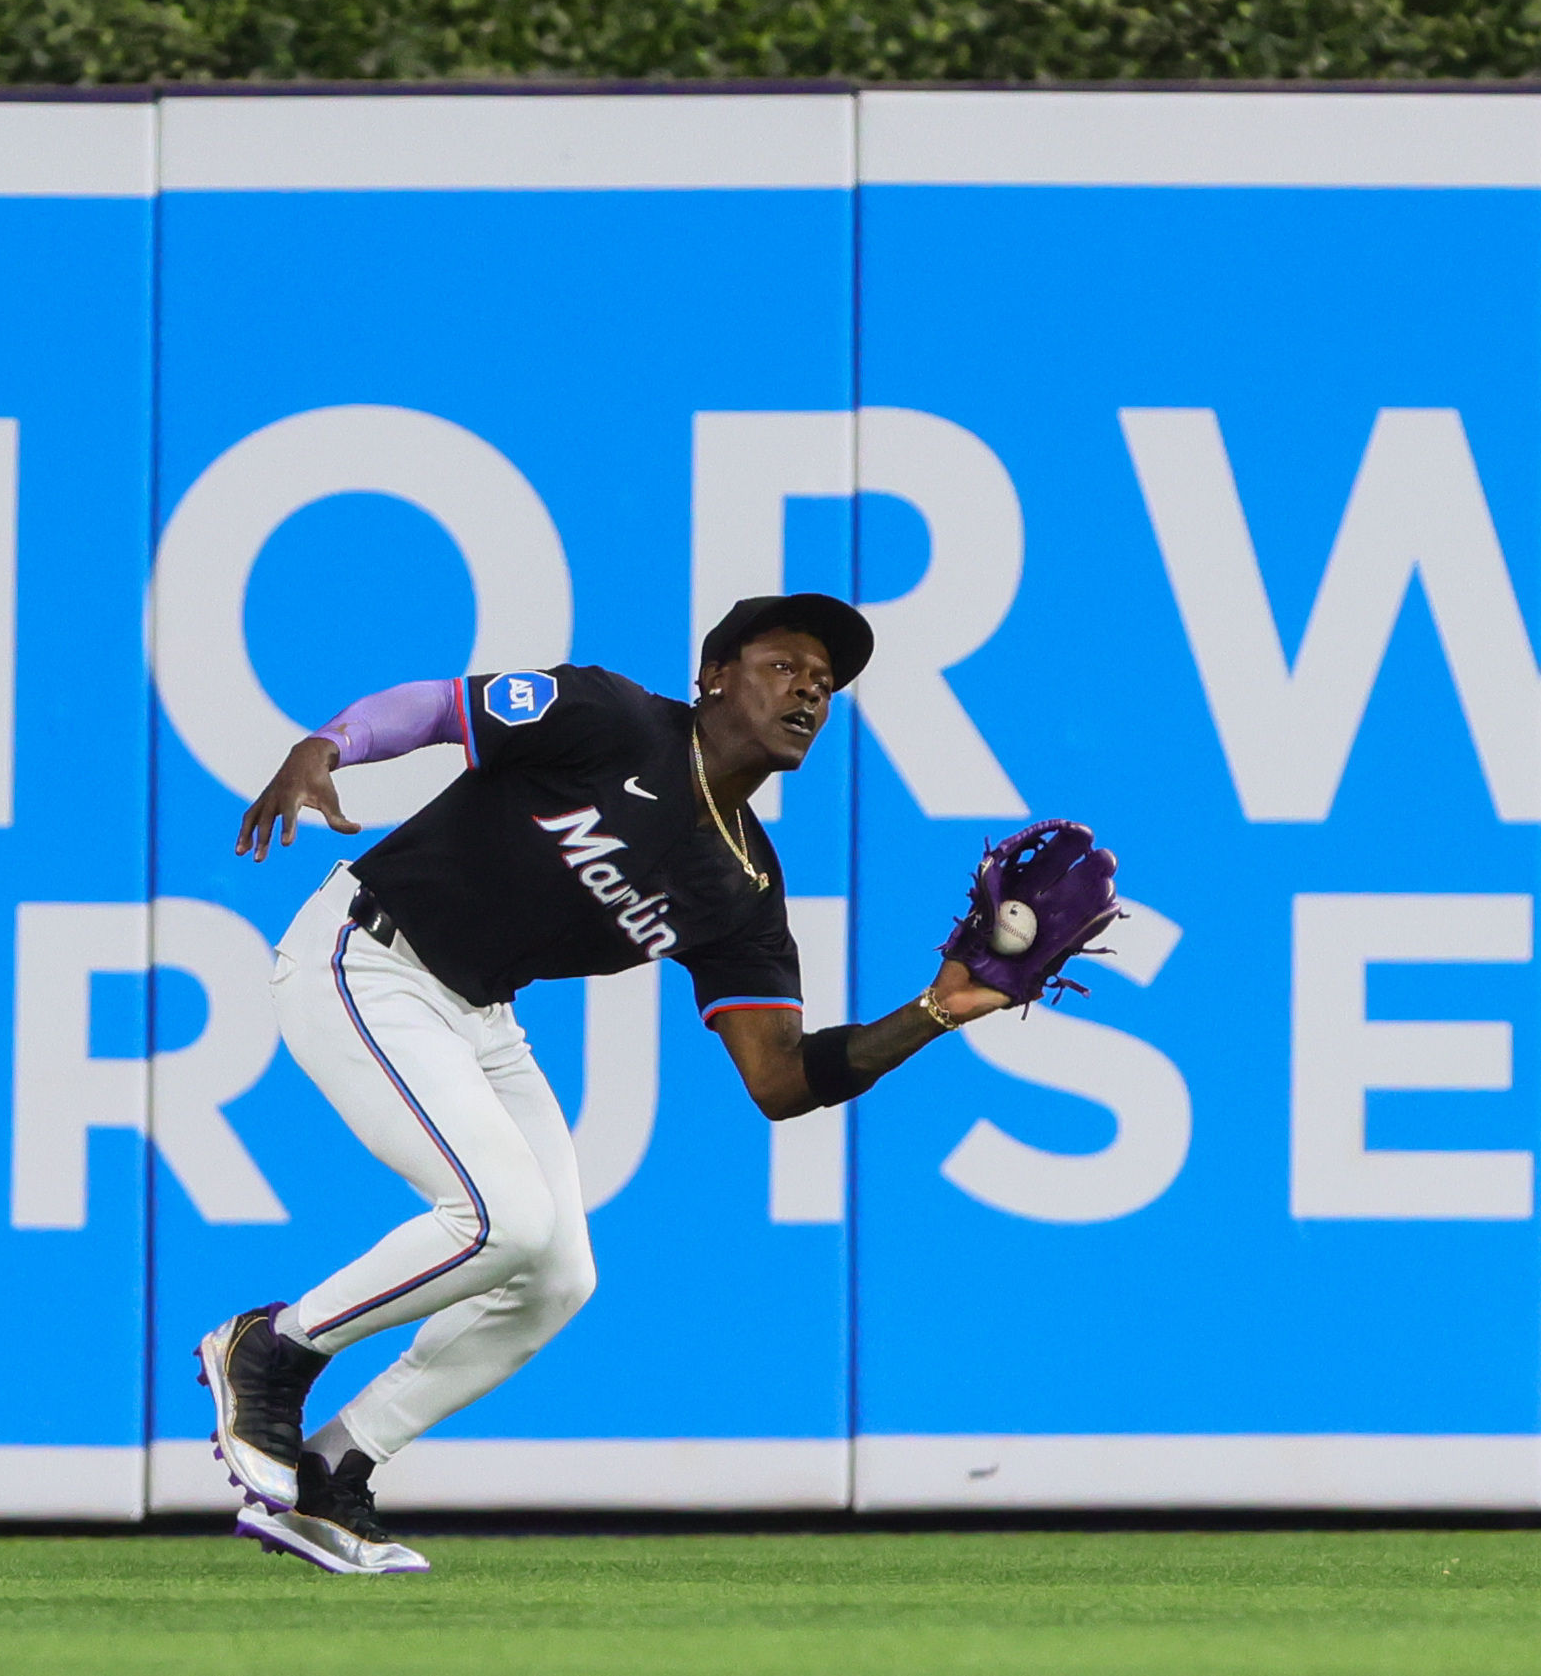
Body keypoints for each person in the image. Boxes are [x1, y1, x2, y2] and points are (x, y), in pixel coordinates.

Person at [201, 593, 1016, 1575]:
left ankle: (335, 1466)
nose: (808, 692)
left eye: (824, 683)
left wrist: (936, 1008)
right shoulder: (614, 717)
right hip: (365, 954)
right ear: (714, 676)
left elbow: (780, 1078)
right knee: (501, 1218)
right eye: (783, 666)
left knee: (557, 1276)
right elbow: (439, 708)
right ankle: (274, 1348)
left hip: (477, 1015)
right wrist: (326, 745)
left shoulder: (745, 885)